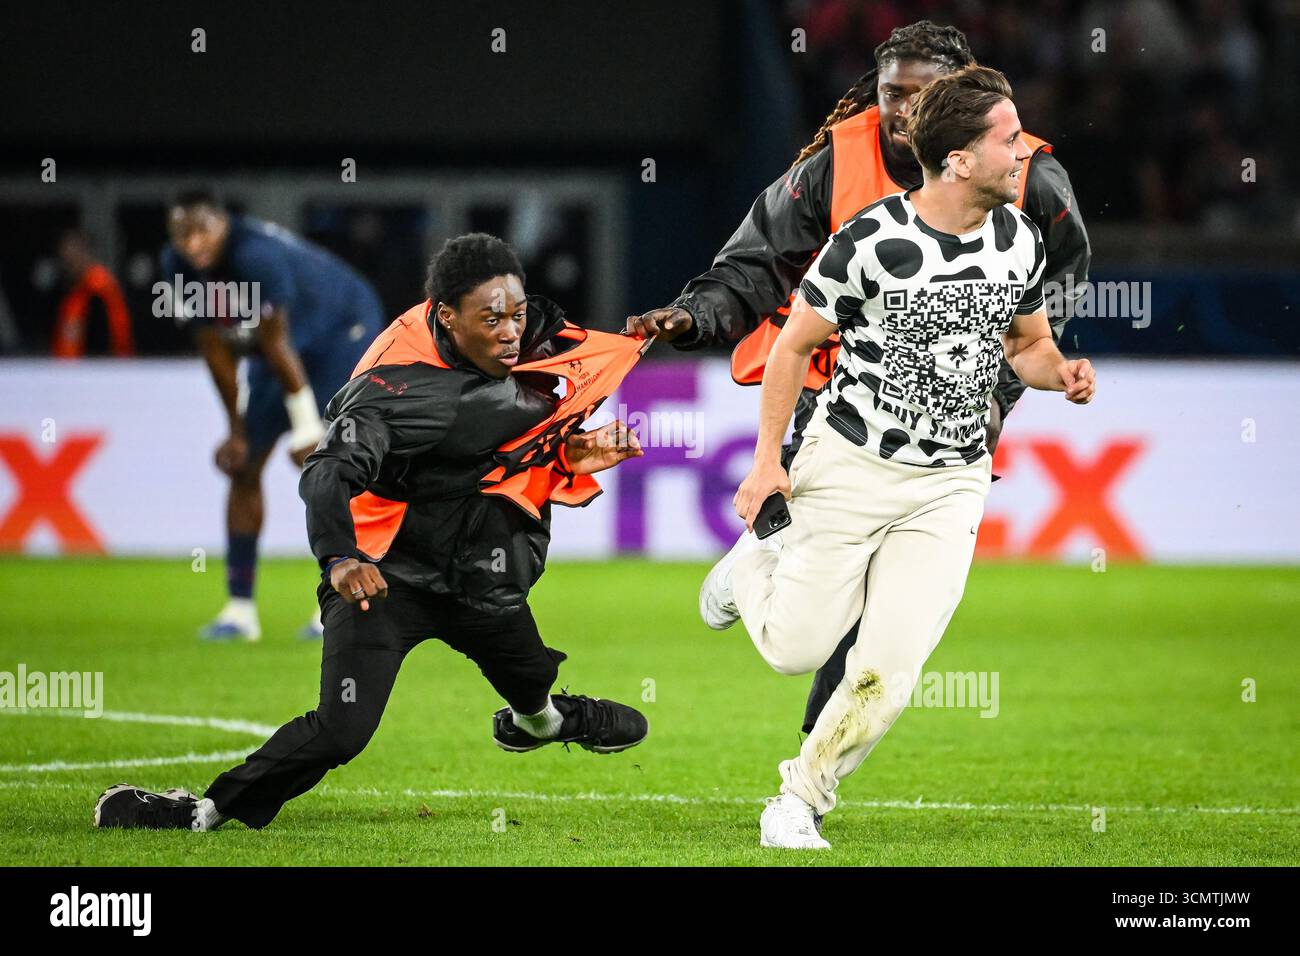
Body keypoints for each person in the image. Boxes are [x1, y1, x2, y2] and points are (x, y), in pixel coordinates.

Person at [94, 234, 650, 832]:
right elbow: (327, 471)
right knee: (342, 730)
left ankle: (539, 723)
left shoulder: (515, 337)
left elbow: (482, 447)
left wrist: (568, 450)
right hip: (383, 576)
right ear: (446, 317)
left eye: (516, 314)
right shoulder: (394, 387)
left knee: (533, 683)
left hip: (473, 575)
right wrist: (338, 558)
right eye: (493, 319)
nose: (512, 330)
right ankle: (200, 810)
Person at [628, 19, 1090, 738]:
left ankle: (810, 769)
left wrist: (996, 392)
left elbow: (1053, 292)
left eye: (921, 94)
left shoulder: (1029, 178)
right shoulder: (835, 164)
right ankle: (758, 569)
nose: (902, 110)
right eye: (890, 93)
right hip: (834, 397)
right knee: (828, 613)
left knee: (880, 616)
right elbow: (755, 266)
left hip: (950, 408)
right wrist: (693, 316)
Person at [698, 66, 1095, 848]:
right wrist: (765, 464)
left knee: (887, 672)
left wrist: (1061, 373)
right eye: (1009, 139)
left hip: (951, 483)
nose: (1025, 153)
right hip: (849, 467)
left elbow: (1026, 344)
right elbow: (791, 350)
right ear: (958, 161)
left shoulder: (1019, 237)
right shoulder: (873, 240)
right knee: (796, 650)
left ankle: (799, 800)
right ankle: (750, 565)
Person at [161, 188, 386, 640]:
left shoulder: (256, 257)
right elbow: (214, 347)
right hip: (281, 350)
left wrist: (308, 430)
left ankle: (336, 608)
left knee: (332, 470)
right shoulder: (178, 266)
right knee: (244, 466)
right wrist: (235, 430)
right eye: (182, 234)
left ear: (222, 223)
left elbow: (276, 341)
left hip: (343, 331)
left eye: (201, 231)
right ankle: (239, 612)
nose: (193, 244)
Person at [52, 228, 133, 358]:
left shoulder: (99, 289)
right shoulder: (72, 290)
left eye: (72, 258)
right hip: (68, 371)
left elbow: (113, 337)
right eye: (65, 260)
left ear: (85, 253)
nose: (68, 264)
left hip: (95, 371)